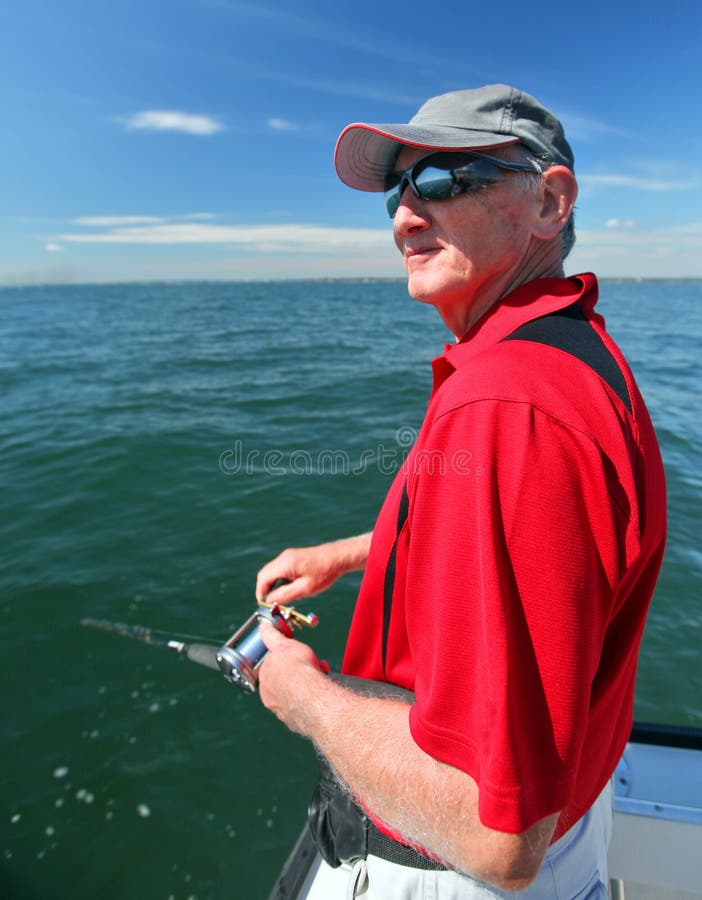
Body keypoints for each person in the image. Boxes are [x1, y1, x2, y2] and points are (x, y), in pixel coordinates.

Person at [255, 84, 667, 898]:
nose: (407, 216)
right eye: (398, 193)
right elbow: (529, 540)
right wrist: (350, 554)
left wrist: (302, 695)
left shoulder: (507, 406)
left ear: (549, 202)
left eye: (444, 181)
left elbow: (496, 830)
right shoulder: (568, 355)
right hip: (578, 832)